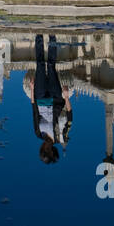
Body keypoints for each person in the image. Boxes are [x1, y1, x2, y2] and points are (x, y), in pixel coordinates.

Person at [31, 33, 71, 163]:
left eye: (41, 149)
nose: (43, 146)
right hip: (55, 99)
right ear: (51, 151)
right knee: (51, 66)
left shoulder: (38, 134)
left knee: (40, 65)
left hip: (40, 97)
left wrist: (32, 89)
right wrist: (66, 97)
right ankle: (52, 37)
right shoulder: (60, 137)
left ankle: (38, 37)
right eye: (45, 150)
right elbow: (70, 118)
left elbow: (35, 112)